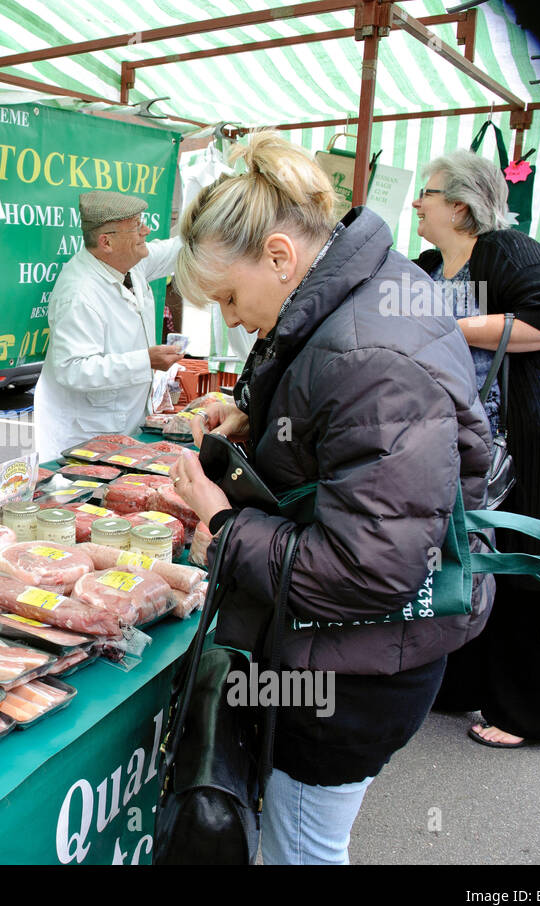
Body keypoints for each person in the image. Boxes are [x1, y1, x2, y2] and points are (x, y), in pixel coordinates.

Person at [168, 132, 494, 864]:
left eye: (227, 297)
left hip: (355, 671)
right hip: (352, 656)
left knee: (304, 847)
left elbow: (364, 568)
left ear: (280, 257)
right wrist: (256, 411)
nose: (227, 318)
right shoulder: (359, 291)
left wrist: (222, 530)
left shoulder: (372, 356)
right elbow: (333, 411)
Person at [414, 150, 540, 748]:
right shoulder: (429, 266)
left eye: (426, 193)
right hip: (482, 444)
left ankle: (528, 715)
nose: (416, 203)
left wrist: (448, 327)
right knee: (479, 554)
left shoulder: (505, 250)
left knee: (532, 564)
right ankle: (466, 685)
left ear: (459, 205)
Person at [33, 191, 183, 461]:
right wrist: (145, 361)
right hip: (84, 438)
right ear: (106, 242)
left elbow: (177, 250)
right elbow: (73, 370)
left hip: (123, 427)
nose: (146, 231)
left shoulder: (129, 264)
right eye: (137, 226)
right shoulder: (79, 293)